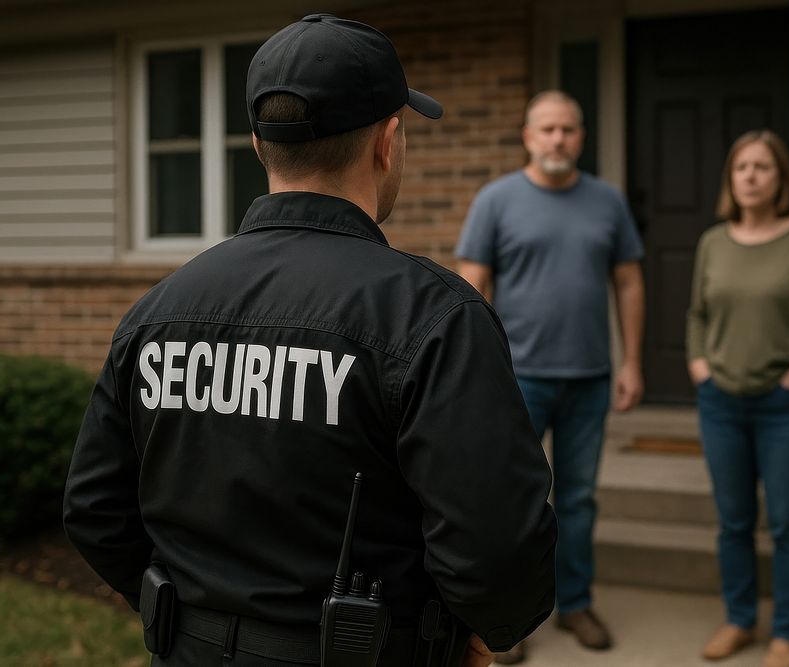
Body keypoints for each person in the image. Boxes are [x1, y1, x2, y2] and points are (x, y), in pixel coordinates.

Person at [63, 14, 557, 667]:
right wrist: (484, 628)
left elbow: (95, 508)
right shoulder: (434, 316)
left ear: (257, 145)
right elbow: (499, 548)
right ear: (387, 142)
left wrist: (186, 617)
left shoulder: (158, 310)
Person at [456, 90, 645, 664]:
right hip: (518, 380)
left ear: (581, 136)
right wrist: (475, 371)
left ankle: (578, 602)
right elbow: (470, 286)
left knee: (580, 499)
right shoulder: (496, 201)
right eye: (547, 129)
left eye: (568, 128)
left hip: (589, 377)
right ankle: (509, 620)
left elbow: (630, 282)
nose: (558, 138)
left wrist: (633, 360)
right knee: (513, 502)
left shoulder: (607, 202)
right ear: (528, 136)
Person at [687, 129, 789, 667]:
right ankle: (739, 621)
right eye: (742, 168)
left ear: (781, 178)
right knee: (734, 522)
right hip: (722, 404)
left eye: (762, 167)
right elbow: (697, 314)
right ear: (731, 180)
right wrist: (699, 365)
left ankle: (787, 632)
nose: (751, 177)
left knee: (787, 523)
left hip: (788, 408)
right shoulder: (713, 242)